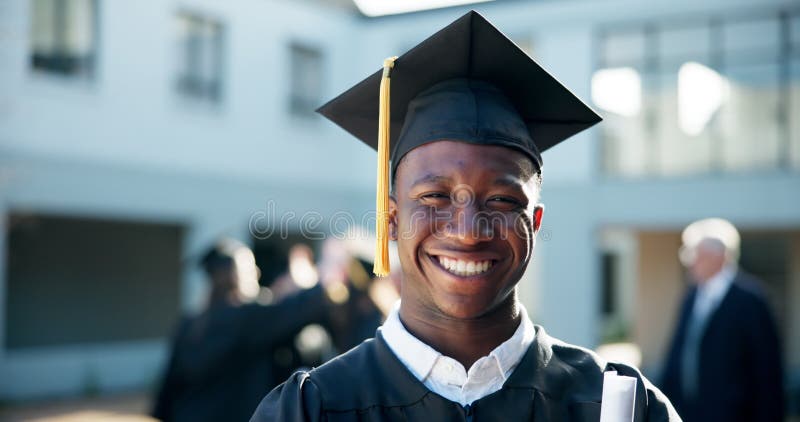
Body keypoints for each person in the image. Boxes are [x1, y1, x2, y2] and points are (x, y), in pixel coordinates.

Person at [251, 11, 678, 421]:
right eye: (435, 196)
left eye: (503, 201)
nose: (469, 230)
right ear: (392, 219)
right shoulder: (312, 410)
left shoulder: (617, 406)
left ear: (536, 222)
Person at [152, 238, 340, 422]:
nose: (257, 272)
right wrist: (328, 273)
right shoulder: (245, 318)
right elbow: (300, 308)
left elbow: (167, 393)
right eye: (249, 267)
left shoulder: (191, 323)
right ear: (226, 275)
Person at [660, 218, 784, 422]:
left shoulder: (751, 300)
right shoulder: (691, 297)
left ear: (720, 256)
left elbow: (767, 371)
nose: (690, 262)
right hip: (690, 414)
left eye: (696, 254)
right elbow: (677, 356)